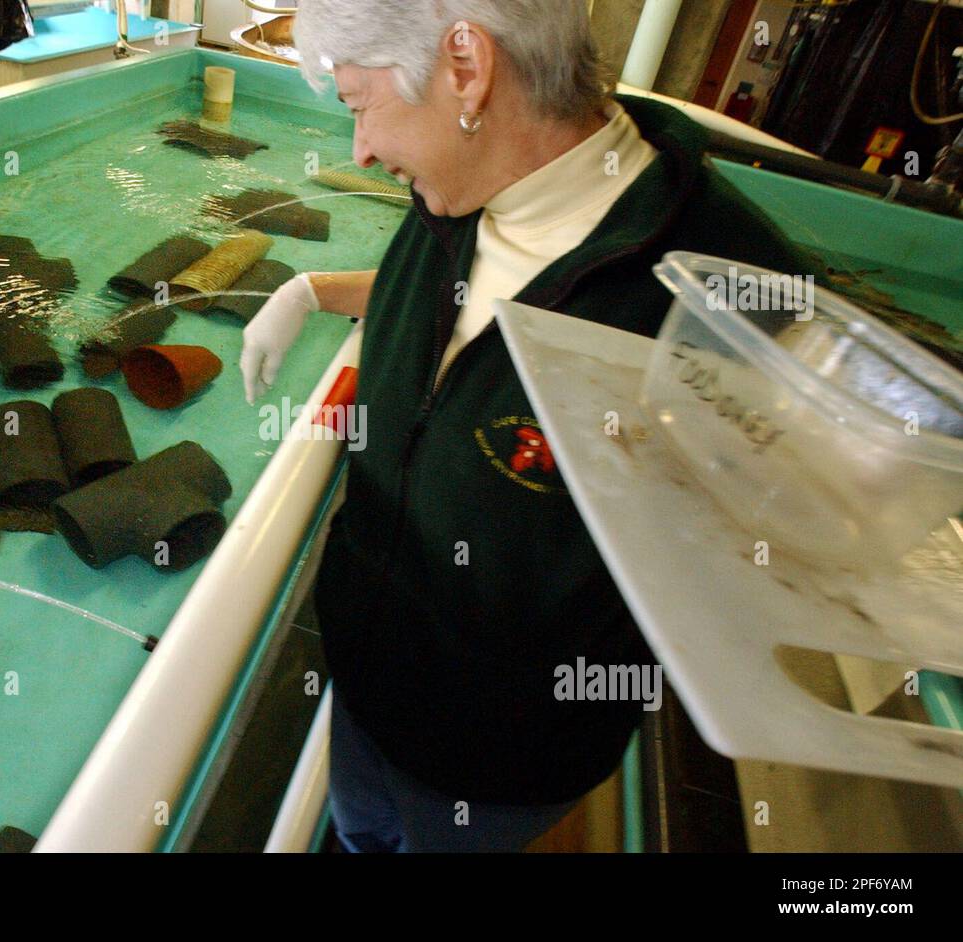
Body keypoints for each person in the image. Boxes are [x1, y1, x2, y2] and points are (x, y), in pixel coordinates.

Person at [239, 0, 816, 852]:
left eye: (361, 105)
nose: (360, 149)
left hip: (502, 752)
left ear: (466, 68)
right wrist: (316, 290)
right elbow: (484, 303)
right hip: (365, 670)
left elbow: (778, 547)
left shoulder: (740, 291)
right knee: (357, 832)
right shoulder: (466, 185)